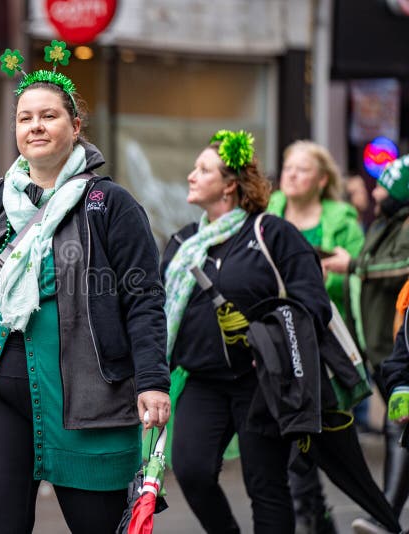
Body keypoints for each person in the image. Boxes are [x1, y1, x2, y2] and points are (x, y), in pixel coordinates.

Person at [0, 43, 171, 534]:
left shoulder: (111, 204)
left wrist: (153, 380)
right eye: (24, 117)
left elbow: (144, 298)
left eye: (48, 116)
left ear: (75, 127)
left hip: (89, 405)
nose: (34, 126)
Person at [163, 130, 331, 533]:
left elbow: (313, 305)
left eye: (203, 170)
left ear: (229, 186)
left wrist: (261, 333)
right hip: (202, 381)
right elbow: (155, 310)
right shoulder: (183, 242)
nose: (191, 175)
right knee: (191, 471)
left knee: (266, 486)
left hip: (262, 381)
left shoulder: (271, 233)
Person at [267, 140, 365, 533]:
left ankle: (316, 514)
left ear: (322, 180)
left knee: (314, 438)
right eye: (288, 166)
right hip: (277, 341)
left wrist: (332, 277)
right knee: (291, 440)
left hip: (325, 345)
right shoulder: (268, 212)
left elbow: (360, 275)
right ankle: (312, 515)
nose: (291, 174)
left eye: (302, 169)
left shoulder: (342, 219)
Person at [345, 154, 409, 534]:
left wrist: (352, 265)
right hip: (388, 349)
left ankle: (385, 515)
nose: (376, 191)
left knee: (396, 426)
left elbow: (396, 265)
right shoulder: (385, 224)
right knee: (397, 424)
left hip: (395, 343)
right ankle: (385, 514)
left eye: (384, 185)